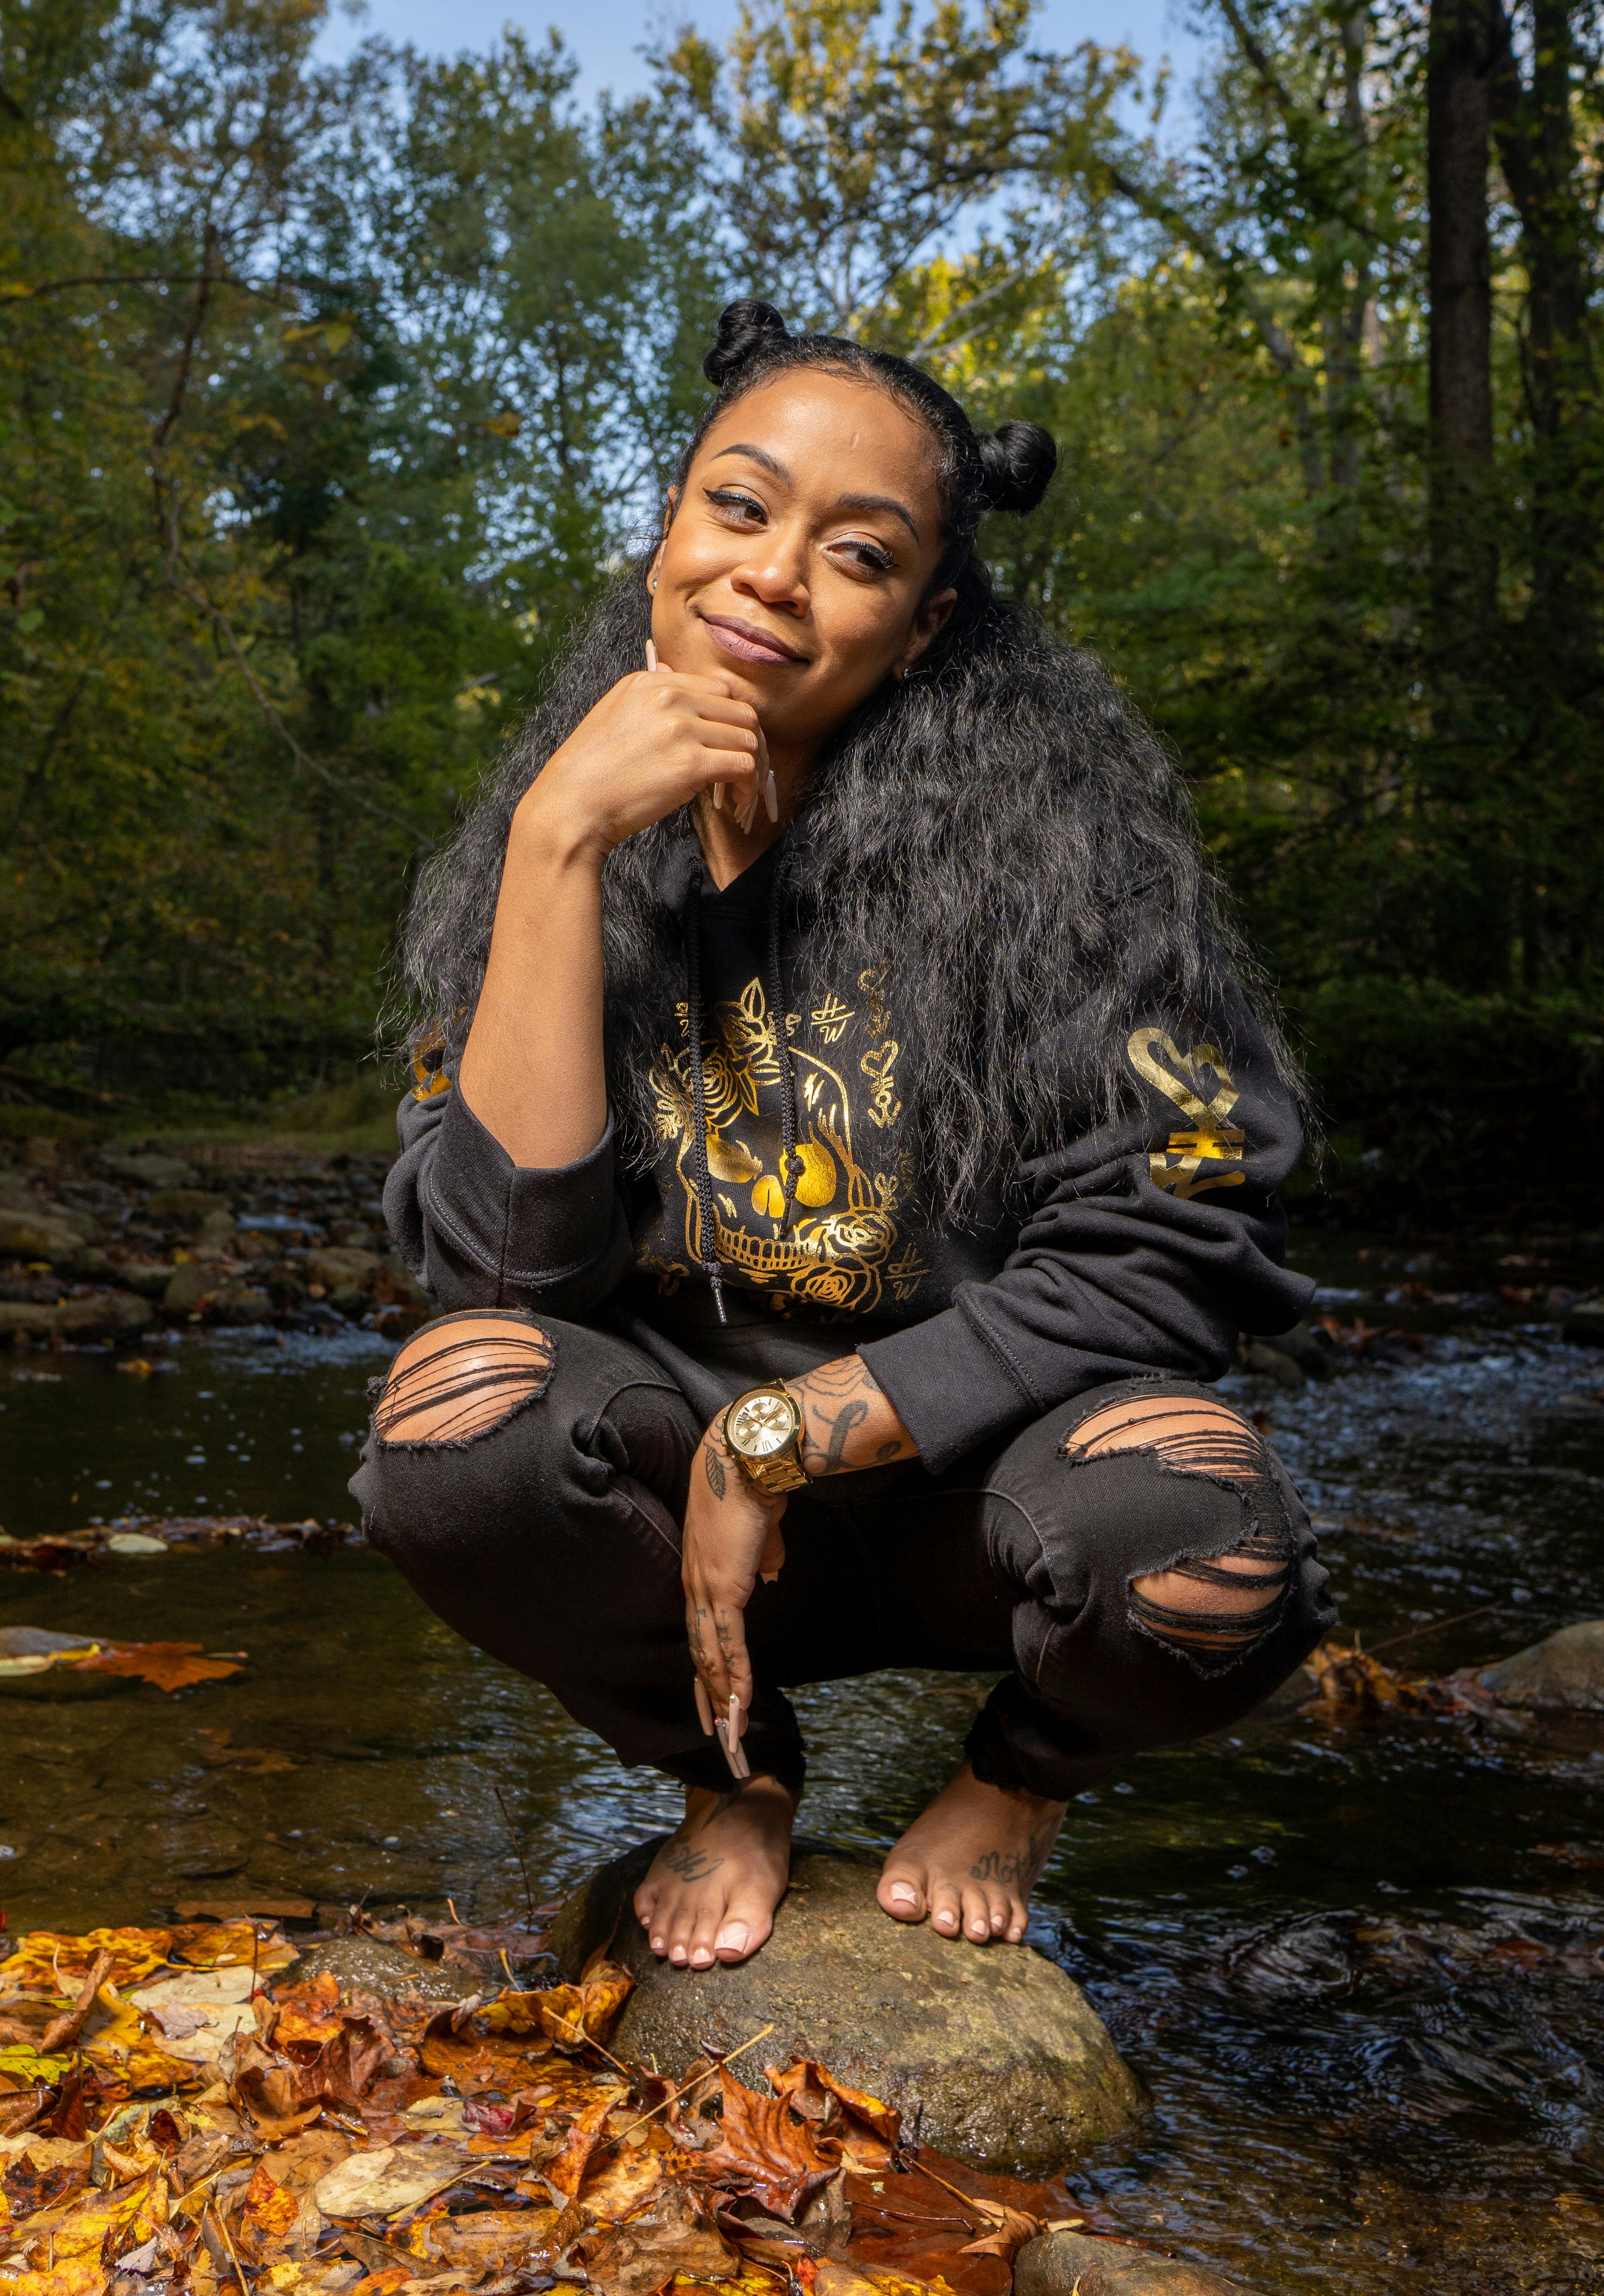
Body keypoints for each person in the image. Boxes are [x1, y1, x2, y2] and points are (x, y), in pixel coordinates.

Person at [352, 298, 1334, 1977]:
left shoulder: (1067, 864)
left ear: (929, 619)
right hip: (680, 1537)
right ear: (668, 526)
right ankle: (732, 1773)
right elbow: (502, 1272)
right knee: (452, 1427)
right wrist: (554, 851)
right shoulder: (549, 838)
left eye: (856, 553)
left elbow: (1181, 1236)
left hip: (978, 1496)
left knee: (1211, 1536)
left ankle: (1019, 1776)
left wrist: (785, 1437)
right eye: (735, 507)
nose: (768, 576)